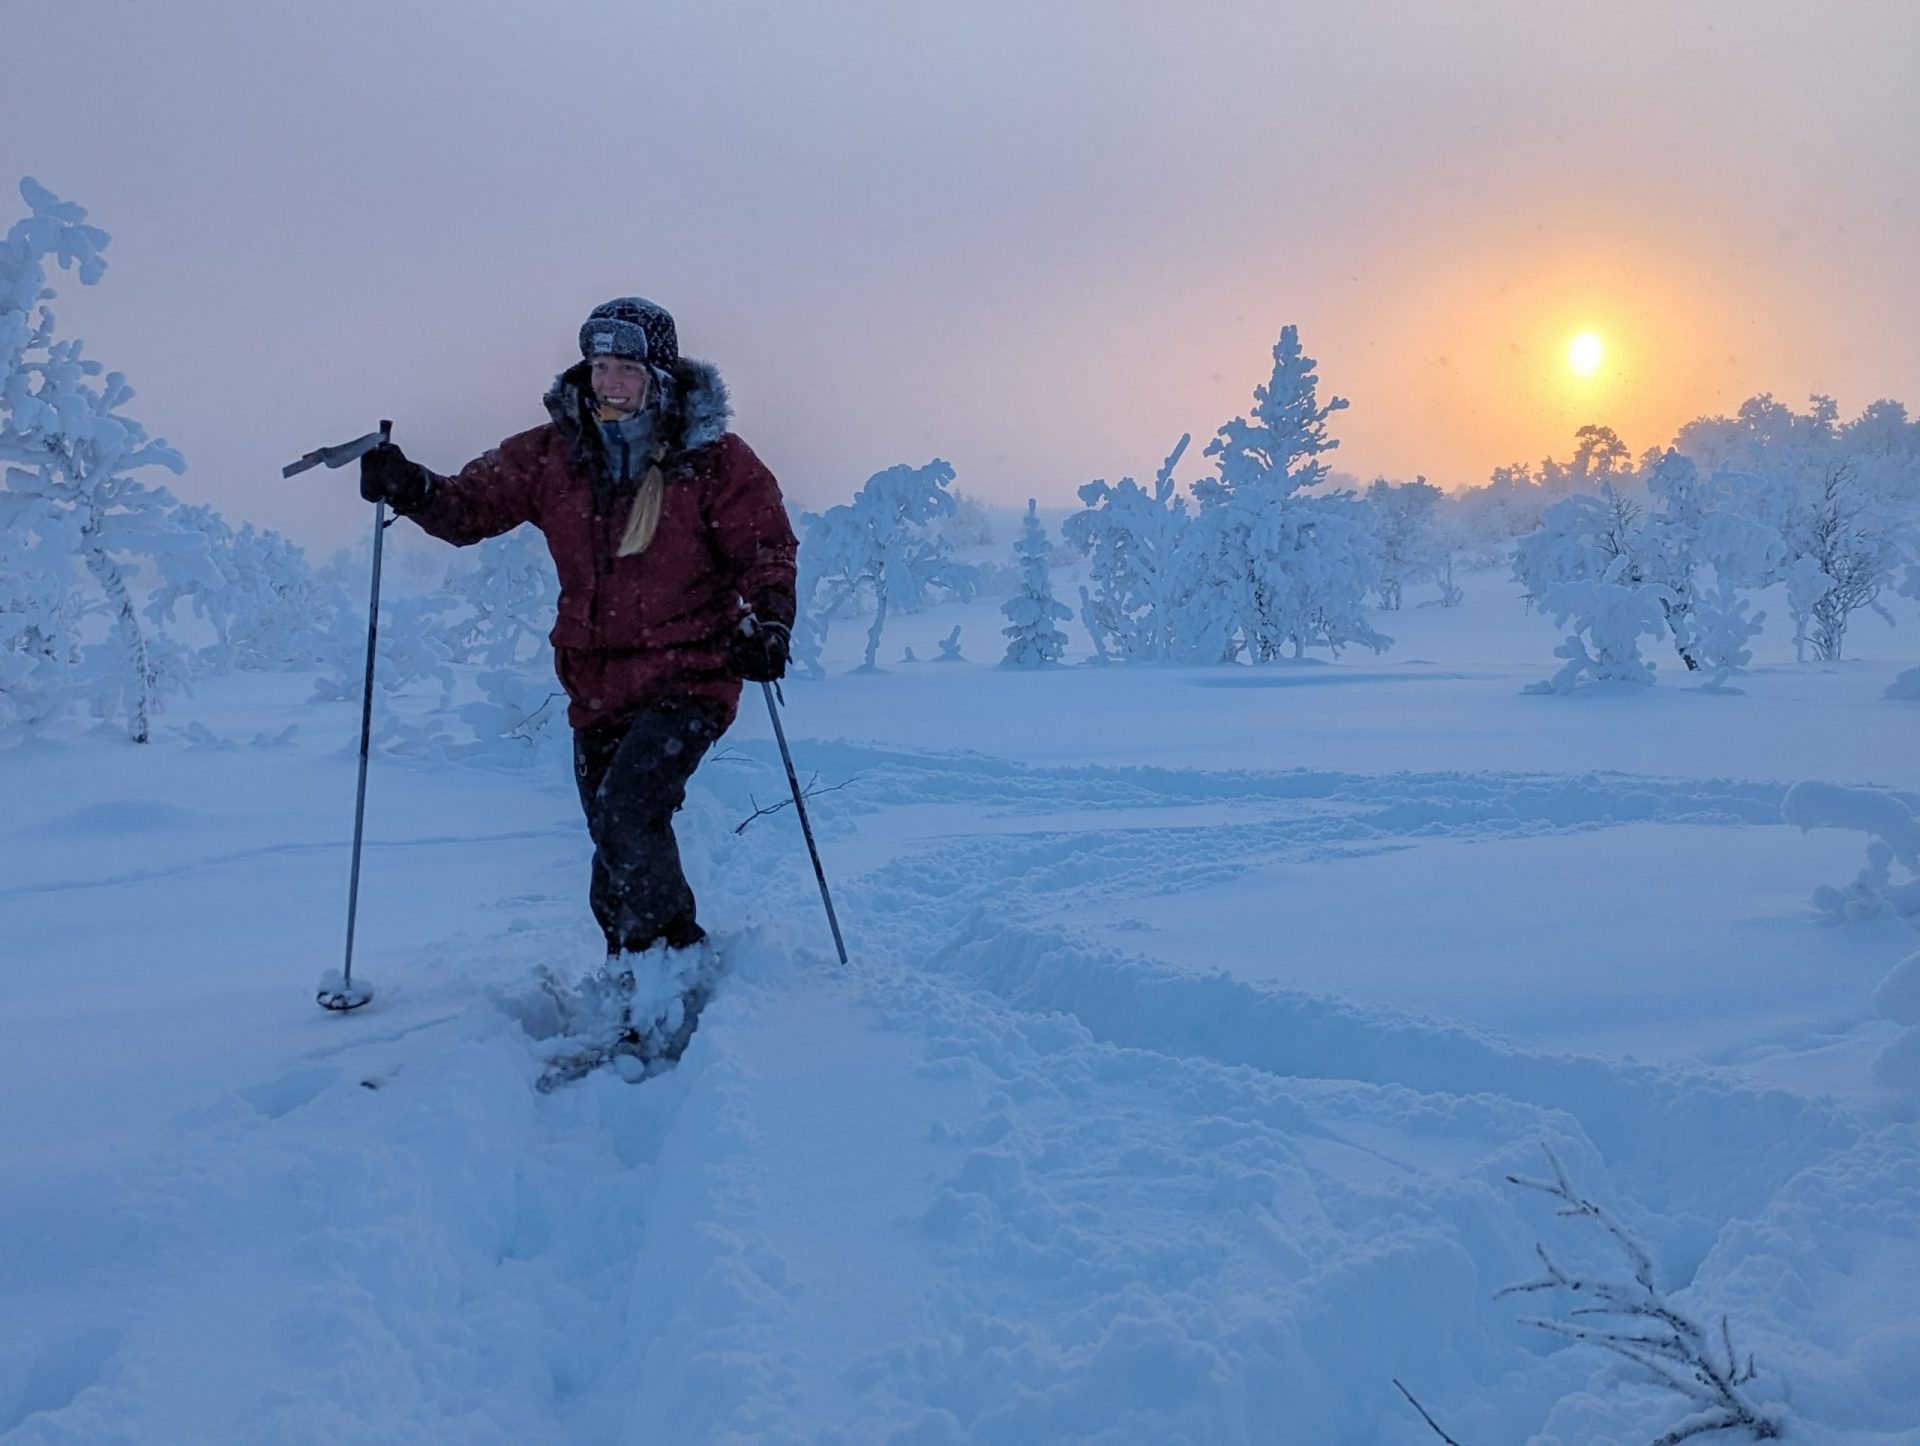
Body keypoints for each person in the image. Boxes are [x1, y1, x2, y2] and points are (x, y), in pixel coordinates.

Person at [357, 296, 798, 991]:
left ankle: (669, 968)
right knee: (614, 833)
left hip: (692, 675)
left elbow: (767, 549)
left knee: (629, 811)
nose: (611, 382)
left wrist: (769, 624)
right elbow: (469, 507)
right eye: (600, 366)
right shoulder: (552, 455)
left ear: (659, 373)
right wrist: (410, 487)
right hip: (596, 686)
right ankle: (639, 964)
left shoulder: (713, 460)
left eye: (627, 366)